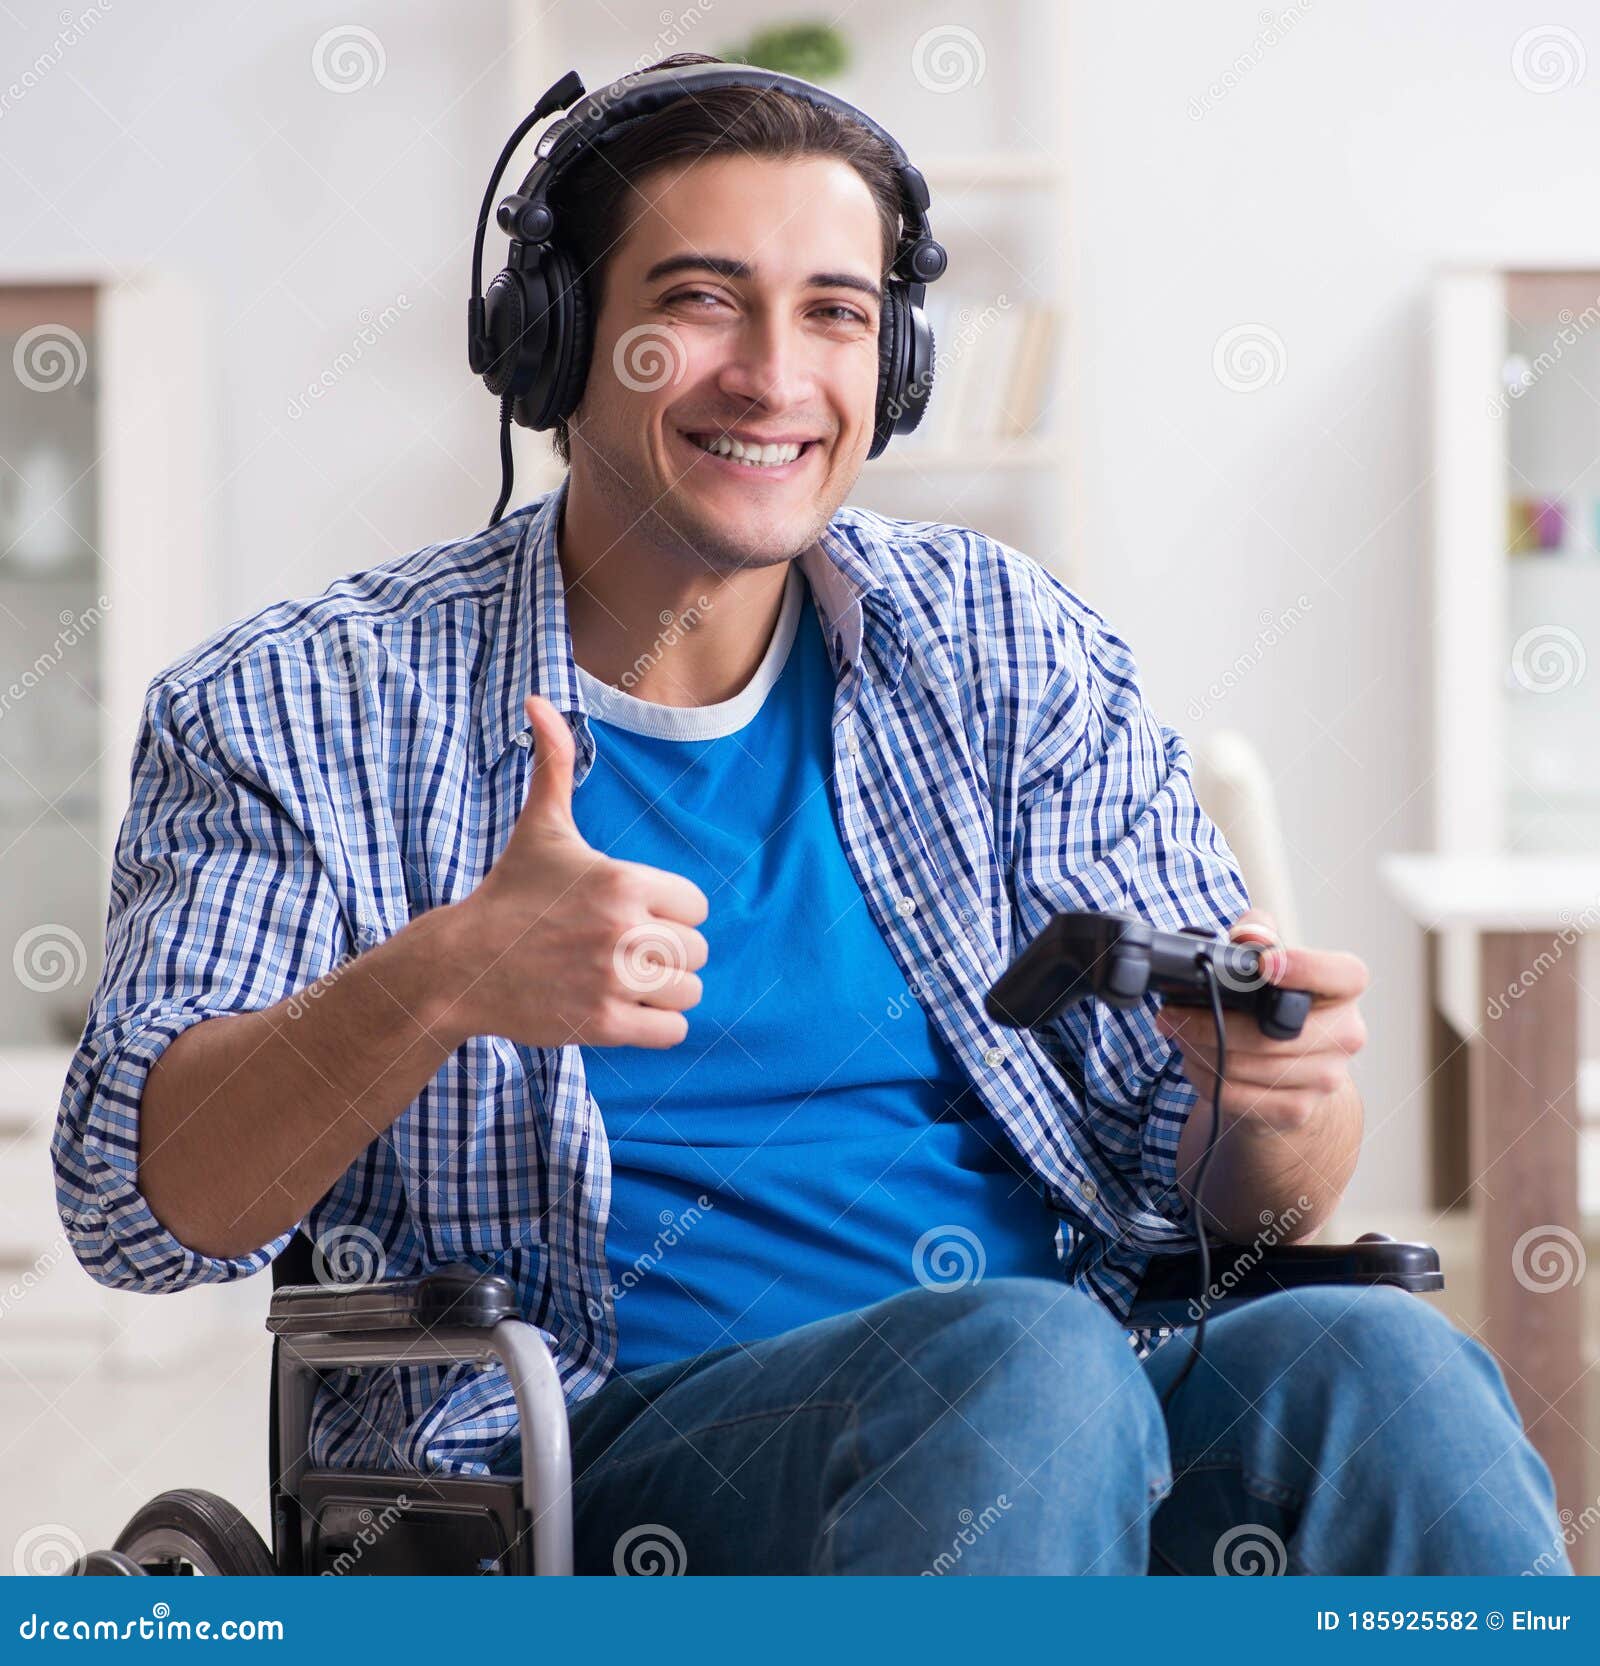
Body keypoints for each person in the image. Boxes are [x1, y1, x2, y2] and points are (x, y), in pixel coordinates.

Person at [52, 51, 1570, 1576]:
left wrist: (1274, 1114)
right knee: (1017, 1369)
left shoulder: (1004, 647)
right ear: (556, 341)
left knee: (1392, 1364)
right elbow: (144, 1204)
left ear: (892, 367)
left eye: (836, 312)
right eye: (700, 301)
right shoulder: (305, 701)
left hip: (1083, 1405)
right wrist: (443, 975)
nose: (775, 376)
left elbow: (1249, 1206)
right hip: (596, 1473)